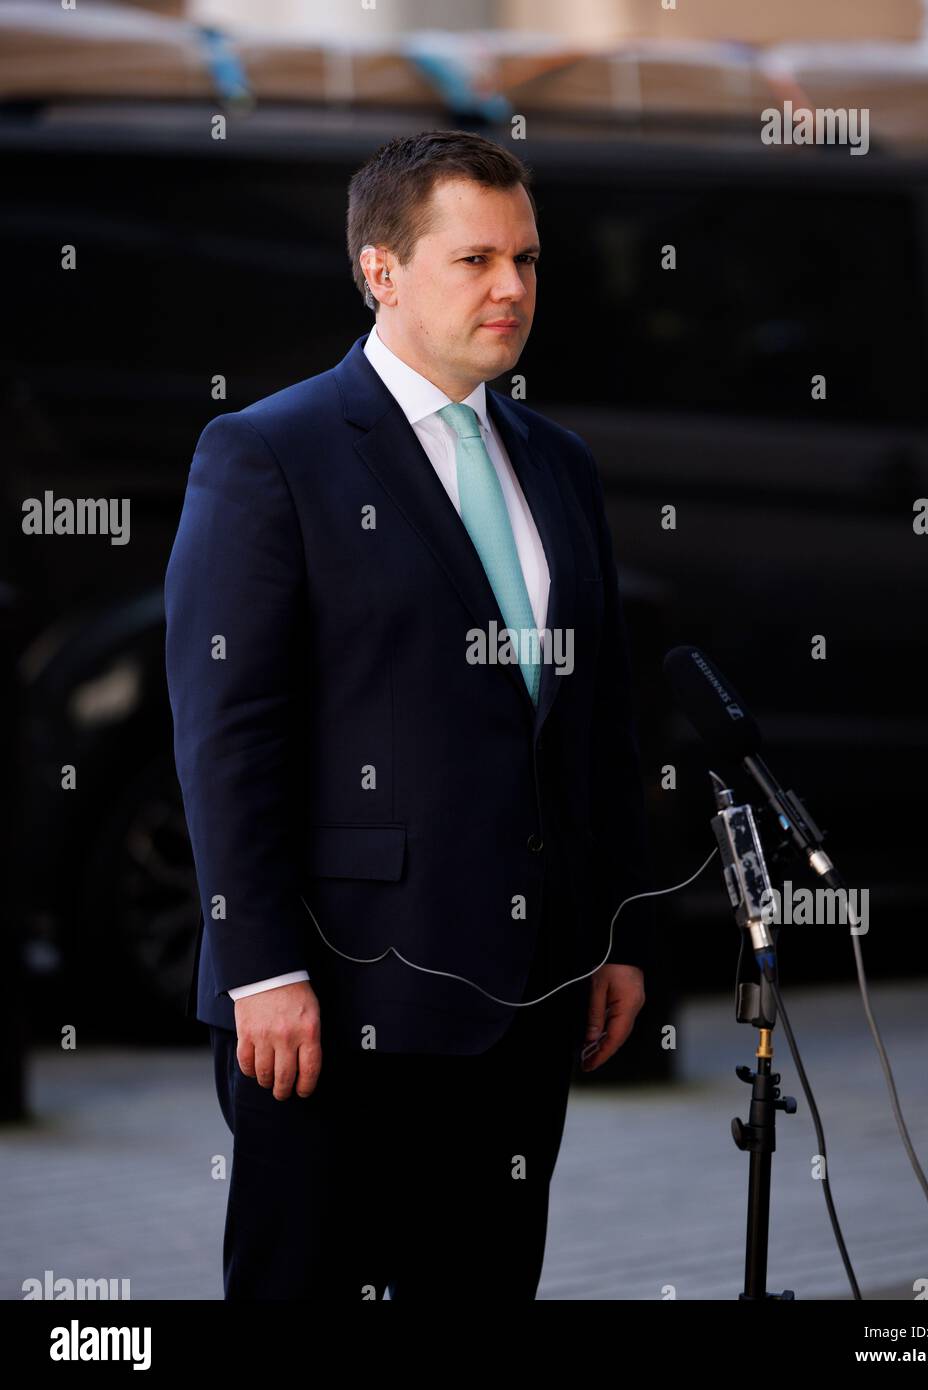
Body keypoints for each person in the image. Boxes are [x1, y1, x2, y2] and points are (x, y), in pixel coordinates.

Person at [164, 128, 656, 1301]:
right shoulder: (267, 452)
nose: (511, 287)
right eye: (475, 258)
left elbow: (596, 725)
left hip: (527, 1002)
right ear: (379, 270)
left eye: (528, 260)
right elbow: (225, 733)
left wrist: (615, 934)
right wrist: (260, 969)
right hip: (335, 1001)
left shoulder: (559, 462)